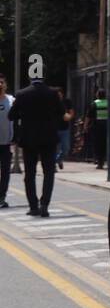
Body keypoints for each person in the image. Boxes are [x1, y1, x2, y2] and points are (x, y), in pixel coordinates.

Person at [9, 76, 63, 217]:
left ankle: (33, 206)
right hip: (49, 138)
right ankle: (44, 204)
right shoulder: (53, 93)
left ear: (30, 76)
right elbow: (61, 112)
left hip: (29, 139)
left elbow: (11, 115)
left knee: (30, 174)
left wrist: (24, 113)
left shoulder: (22, 94)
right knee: (49, 172)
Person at [0, 75, 13, 210]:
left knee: (5, 172)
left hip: (6, 143)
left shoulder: (11, 100)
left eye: (2, 82)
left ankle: (1, 197)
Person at [87, 88, 108, 168]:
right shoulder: (108, 103)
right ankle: (104, 159)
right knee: (104, 143)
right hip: (106, 126)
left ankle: (99, 162)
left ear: (97, 95)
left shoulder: (94, 104)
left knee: (97, 144)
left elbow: (88, 116)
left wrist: (85, 126)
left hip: (97, 126)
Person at [55, 88, 75, 170]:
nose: (59, 96)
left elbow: (71, 112)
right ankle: (53, 165)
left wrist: (69, 117)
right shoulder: (52, 102)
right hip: (54, 128)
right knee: (55, 148)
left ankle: (58, 160)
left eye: (60, 94)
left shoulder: (66, 102)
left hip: (64, 128)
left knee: (66, 148)